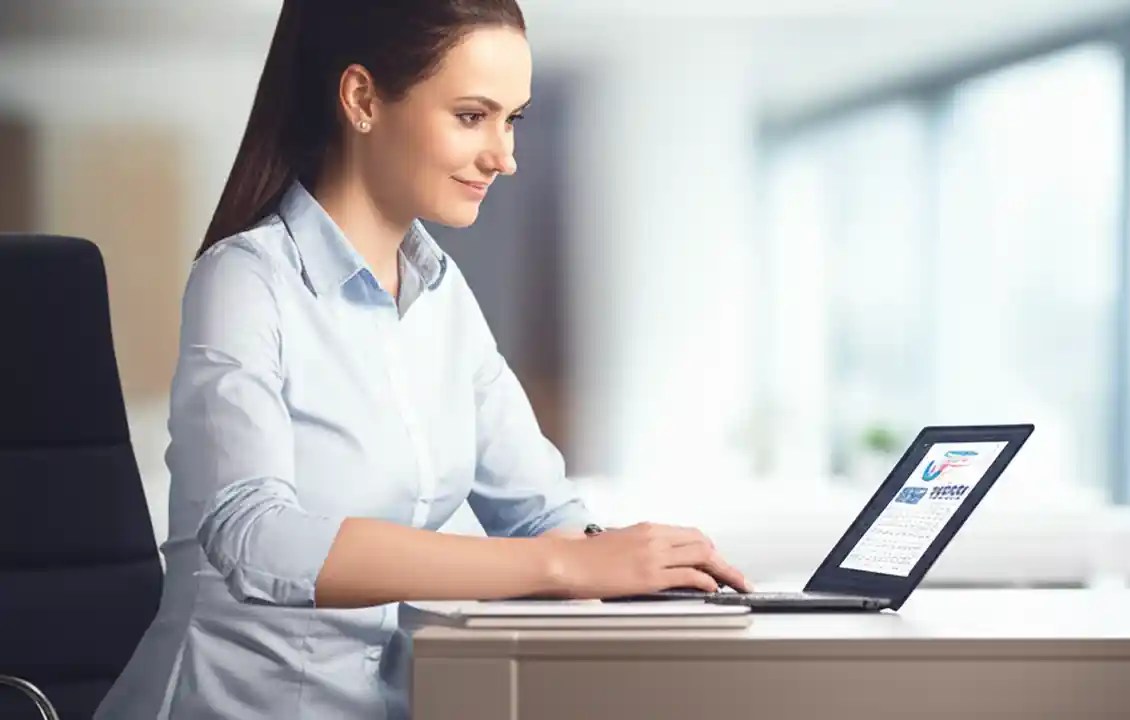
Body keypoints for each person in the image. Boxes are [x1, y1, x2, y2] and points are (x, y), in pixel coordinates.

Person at [94, 1, 750, 718]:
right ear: (363, 99)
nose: (505, 156)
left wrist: (638, 569)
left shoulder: (443, 298)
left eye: (513, 119)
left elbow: (540, 508)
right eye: (473, 115)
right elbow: (257, 539)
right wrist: (564, 565)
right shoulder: (244, 280)